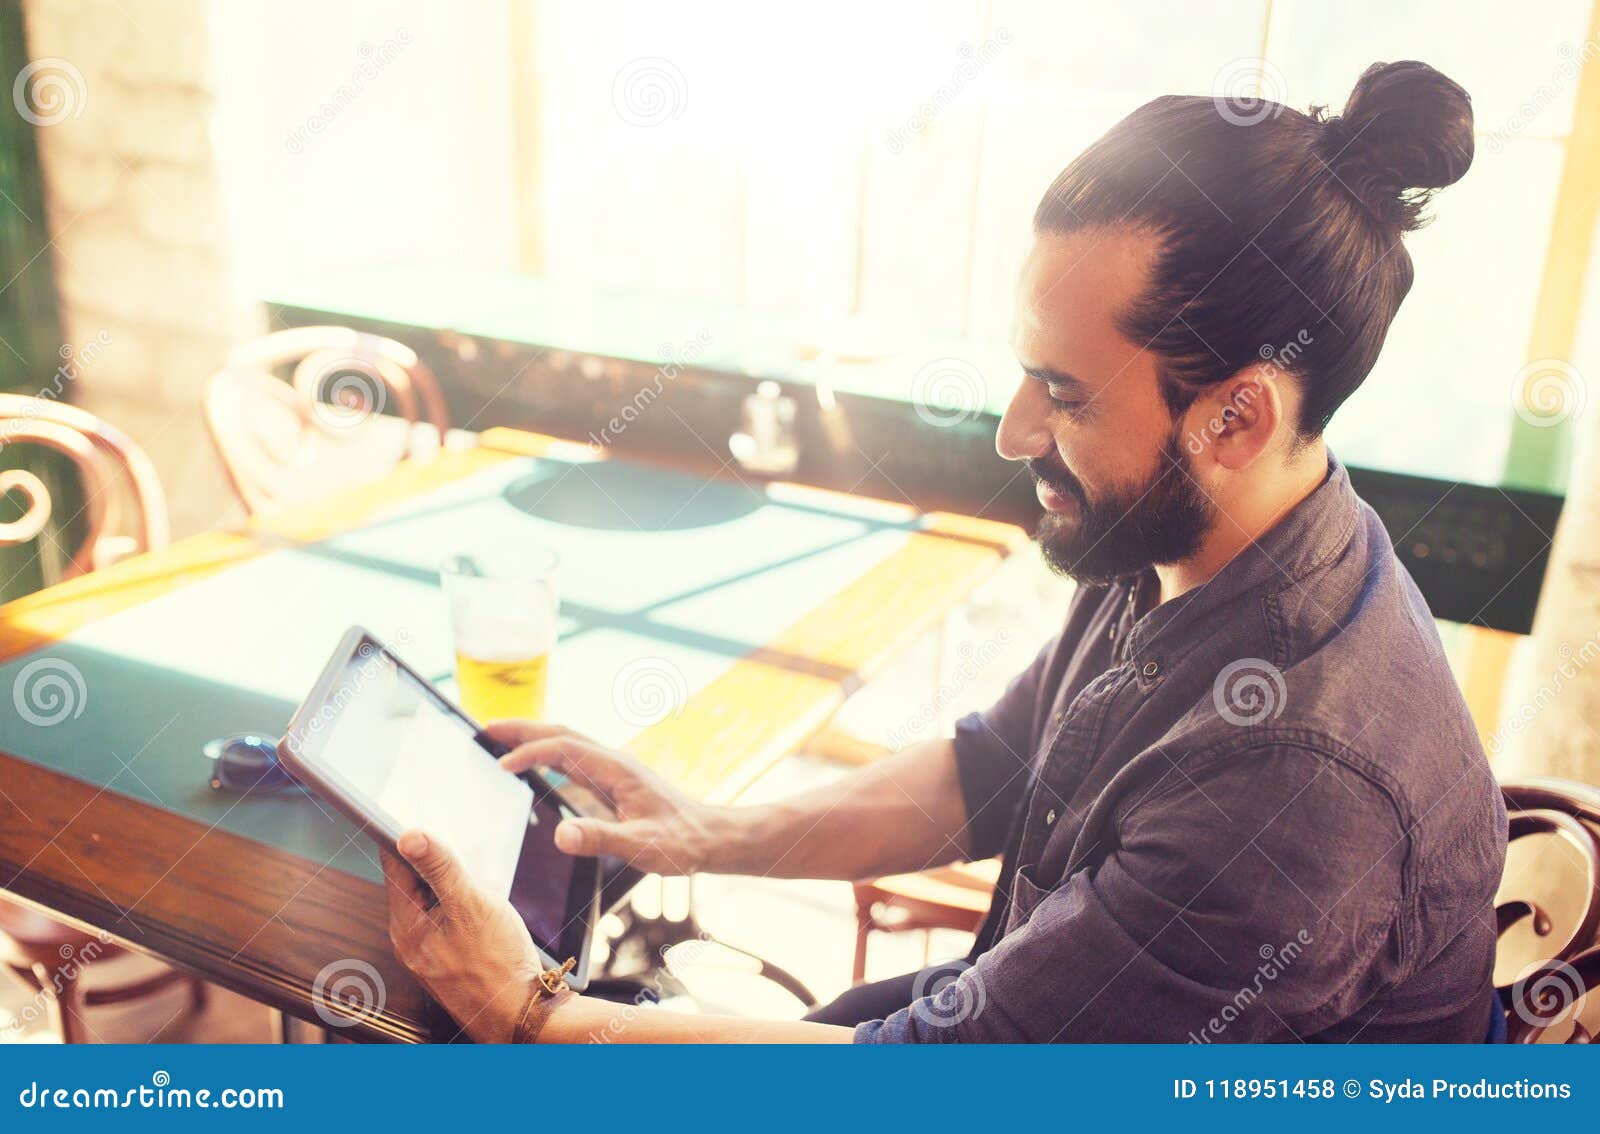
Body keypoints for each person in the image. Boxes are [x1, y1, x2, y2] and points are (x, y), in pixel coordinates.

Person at [382, 59, 1507, 1043]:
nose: (1017, 432)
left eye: (1062, 394)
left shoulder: (1295, 795)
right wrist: (699, 831)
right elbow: (992, 770)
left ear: (1235, 419)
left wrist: (526, 1015)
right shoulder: (1180, 533)